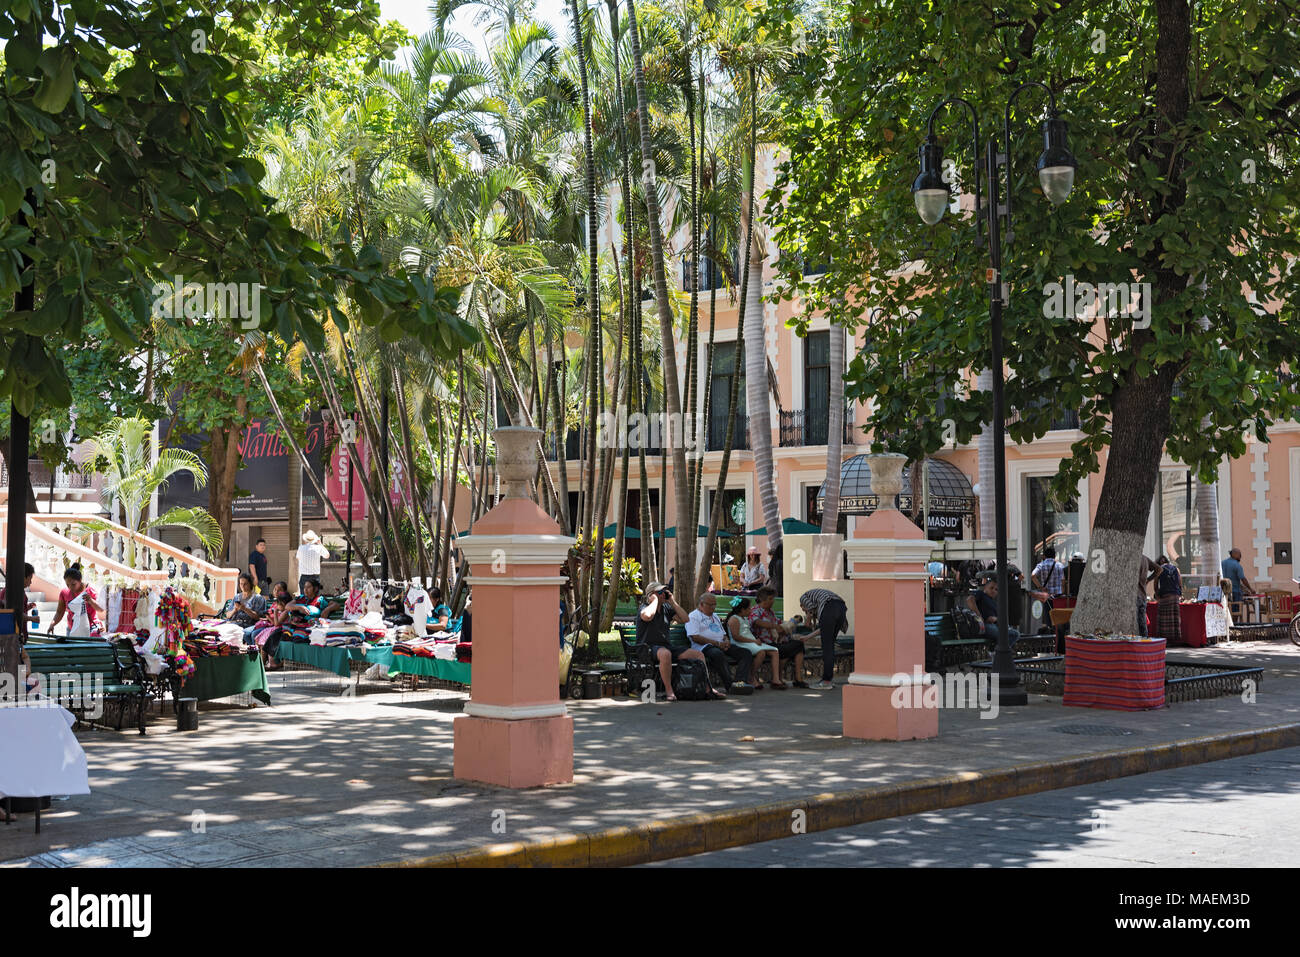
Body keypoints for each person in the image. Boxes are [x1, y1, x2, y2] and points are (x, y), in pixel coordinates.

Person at [637, 581, 708, 701]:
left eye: (664, 592)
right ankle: (669, 690)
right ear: (651, 595)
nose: (663, 594)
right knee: (665, 654)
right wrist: (654, 600)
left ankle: (706, 687)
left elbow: (685, 619)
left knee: (698, 655)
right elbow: (647, 616)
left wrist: (672, 602)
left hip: (665, 647)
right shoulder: (644, 608)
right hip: (647, 648)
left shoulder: (666, 609)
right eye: (660, 592)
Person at [686, 592, 755, 693]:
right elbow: (695, 637)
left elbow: (723, 634)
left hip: (721, 645)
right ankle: (730, 685)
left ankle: (739, 683)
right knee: (718, 654)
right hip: (704, 647)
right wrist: (717, 644)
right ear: (701, 604)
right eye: (710, 605)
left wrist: (726, 641)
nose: (713, 607)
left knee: (746, 653)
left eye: (714, 604)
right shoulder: (693, 616)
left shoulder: (715, 616)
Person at [748, 586, 808, 688]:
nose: (773, 601)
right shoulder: (755, 610)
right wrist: (774, 626)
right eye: (770, 599)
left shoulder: (771, 612)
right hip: (763, 643)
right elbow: (757, 622)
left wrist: (788, 626)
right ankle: (777, 679)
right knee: (787, 650)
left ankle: (798, 678)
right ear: (763, 599)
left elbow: (780, 626)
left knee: (798, 646)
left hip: (775, 642)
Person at [725, 597, 784, 689]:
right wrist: (753, 641)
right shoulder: (734, 619)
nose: (751, 610)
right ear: (742, 609)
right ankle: (751, 677)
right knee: (761, 652)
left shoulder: (744, 618)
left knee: (774, 651)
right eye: (748, 608)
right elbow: (736, 637)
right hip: (741, 643)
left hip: (751, 642)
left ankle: (775, 679)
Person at [798, 587, 849, 690]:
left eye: (803, 609)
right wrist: (807, 637)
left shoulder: (803, 598)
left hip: (830, 606)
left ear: (801, 605)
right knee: (829, 646)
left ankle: (826, 681)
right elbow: (824, 628)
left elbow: (810, 607)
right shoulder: (821, 605)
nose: (804, 611)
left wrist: (807, 619)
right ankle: (829, 680)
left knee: (827, 648)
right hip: (841, 607)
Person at [966, 577, 1021, 646]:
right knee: (1002, 635)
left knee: (1015, 634)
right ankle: (999, 652)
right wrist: (978, 615)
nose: (994, 591)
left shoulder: (994, 603)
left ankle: (997, 651)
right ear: (985, 588)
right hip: (983, 625)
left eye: (996, 589)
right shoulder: (981, 594)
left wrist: (995, 619)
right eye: (991, 588)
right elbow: (969, 599)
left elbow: (996, 618)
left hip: (994, 625)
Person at [53, 565, 102, 637]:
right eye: (67, 584)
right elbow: (59, 612)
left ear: (80, 580)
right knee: (72, 648)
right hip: (72, 629)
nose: (70, 587)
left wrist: (90, 600)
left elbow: (100, 609)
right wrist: (52, 624)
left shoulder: (90, 591)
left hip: (91, 628)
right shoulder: (64, 592)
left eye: (73, 584)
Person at [222, 574, 269, 640]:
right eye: (241, 584)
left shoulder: (258, 598)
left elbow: (258, 617)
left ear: (250, 584)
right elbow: (228, 615)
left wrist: (245, 609)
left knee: (230, 633)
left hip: (247, 625)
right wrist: (235, 610)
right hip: (234, 623)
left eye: (245, 584)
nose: (243, 586)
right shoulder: (237, 597)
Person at [0, 562, 39, 636]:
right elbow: (14, 613)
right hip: (11, 637)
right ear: (23, 577)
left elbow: (18, 609)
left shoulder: (19, 590)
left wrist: (27, 607)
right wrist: (31, 619)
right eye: (30, 578)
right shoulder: (12, 591)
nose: (31, 582)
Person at [1154, 555, 1183, 642]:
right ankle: (1175, 639)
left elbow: (1155, 585)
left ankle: (1163, 639)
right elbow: (1180, 583)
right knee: (1174, 618)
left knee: (1164, 620)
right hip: (1175, 597)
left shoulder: (1159, 569)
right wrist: (1179, 594)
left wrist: (1157, 596)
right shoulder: (1176, 569)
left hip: (1164, 597)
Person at [1136, 554, 1157, 637]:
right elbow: (1158, 569)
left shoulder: (1134, 558)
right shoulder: (1145, 559)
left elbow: (1159, 569)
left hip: (1136, 595)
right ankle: (1145, 641)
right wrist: (1148, 579)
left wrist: (1148, 579)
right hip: (1143, 595)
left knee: (1138, 622)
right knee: (1142, 622)